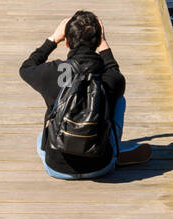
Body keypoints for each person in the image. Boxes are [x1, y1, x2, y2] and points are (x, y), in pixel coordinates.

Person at [19, 10, 151, 180]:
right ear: (97, 43)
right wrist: (104, 43)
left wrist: (52, 39)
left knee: (39, 139)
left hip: (57, 168)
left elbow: (26, 69)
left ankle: (62, 152)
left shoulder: (53, 72)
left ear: (66, 42)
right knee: (119, 99)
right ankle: (114, 151)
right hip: (100, 166)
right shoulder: (109, 77)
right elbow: (115, 74)